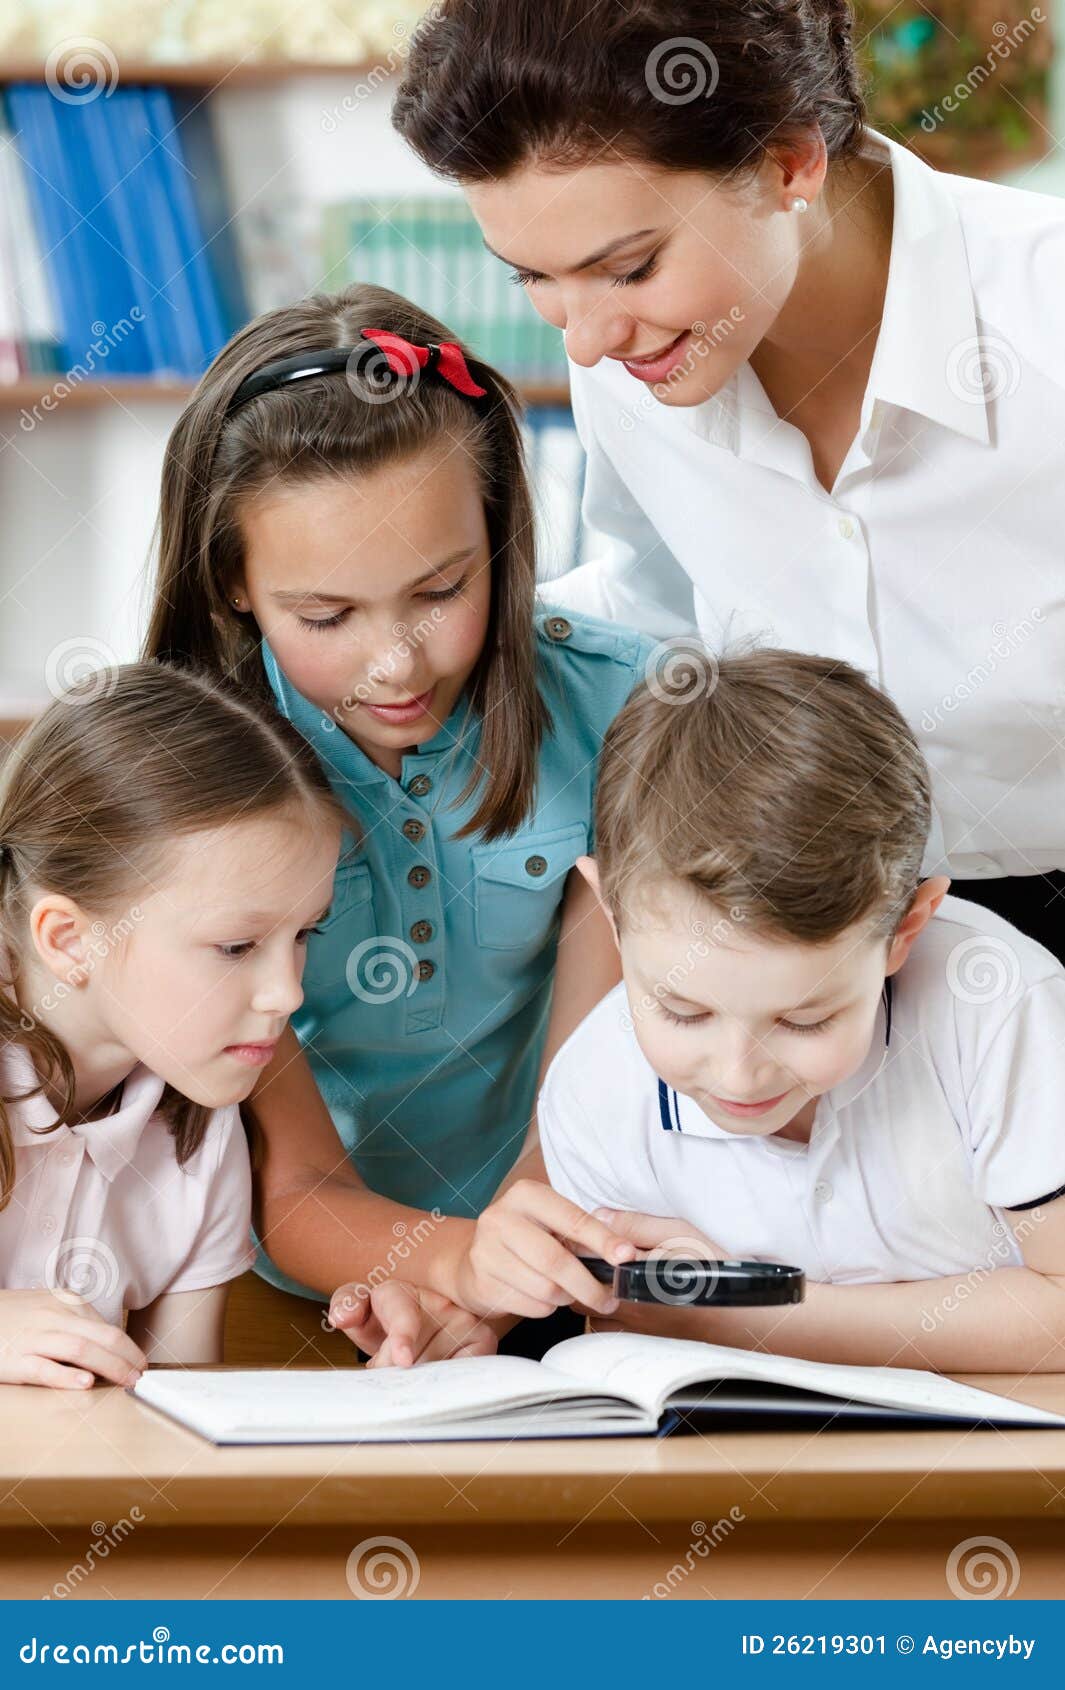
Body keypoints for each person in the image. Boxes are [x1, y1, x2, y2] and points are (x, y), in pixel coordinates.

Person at [393, 0, 1065, 961]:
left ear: (789, 161)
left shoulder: (1045, 316)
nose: (583, 339)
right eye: (529, 278)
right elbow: (656, 609)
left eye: (628, 268)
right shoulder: (630, 365)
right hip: (799, 937)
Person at [143, 282, 648, 1357]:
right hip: (295, 1288)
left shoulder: (631, 715)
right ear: (232, 583)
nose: (397, 663)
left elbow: (603, 1085)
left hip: (597, 1257)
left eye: (440, 589)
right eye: (325, 616)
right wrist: (445, 1265)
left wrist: (501, 1268)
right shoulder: (185, 782)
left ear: (498, 530)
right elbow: (296, 1181)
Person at [536, 647, 1065, 1372]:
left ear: (903, 931)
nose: (739, 1075)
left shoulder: (994, 1008)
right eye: (683, 1011)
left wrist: (743, 1315)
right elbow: (625, 1340)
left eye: (804, 1020)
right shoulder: (594, 1090)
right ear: (610, 916)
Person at [0, 664, 336, 1387]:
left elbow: (176, 1430)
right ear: (67, 940)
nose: (287, 994)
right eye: (236, 947)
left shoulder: (200, 1134)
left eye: (306, 933)